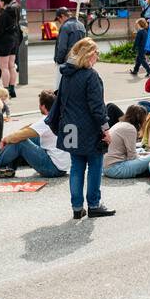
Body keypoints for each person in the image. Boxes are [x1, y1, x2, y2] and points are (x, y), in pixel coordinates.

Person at [51, 37, 115, 219]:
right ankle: (94, 205)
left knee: (77, 167)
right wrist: (105, 130)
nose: (98, 57)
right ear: (89, 55)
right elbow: (97, 107)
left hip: (70, 126)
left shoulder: (66, 74)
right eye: (96, 53)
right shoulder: (91, 76)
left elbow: (62, 100)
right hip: (88, 128)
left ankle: (77, 207)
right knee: (95, 165)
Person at [0, 90, 69, 179]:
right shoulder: (57, 116)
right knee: (30, 138)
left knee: (20, 141)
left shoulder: (47, 120)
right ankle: (8, 168)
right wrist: (13, 136)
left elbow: (20, 135)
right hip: (62, 167)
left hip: (53, 169)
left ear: (43, 106)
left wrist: (5, 139)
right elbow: (31, 127)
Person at [104, 103, 150, 179]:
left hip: (107, 166)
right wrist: (146, 155)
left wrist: (143, 153)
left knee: (141, 150)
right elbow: (132, 156)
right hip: (116, 168)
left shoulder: (120, 124)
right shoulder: (130, 129)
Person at [0, 0, 22, 97]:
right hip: (13, 41)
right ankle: (12, 89)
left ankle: (5, 91)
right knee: (11, 66)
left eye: (0, 1)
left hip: (4, 42)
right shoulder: (15, 11)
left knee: (4, 68)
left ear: (3, 2)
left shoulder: (5, 14)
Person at [52, 7, 86, 88]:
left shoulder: (65, 27)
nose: (59, 22)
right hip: (79, 61)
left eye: (59, 19)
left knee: (60, 87)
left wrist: (58, 61)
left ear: (63, 16)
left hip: (67, 63)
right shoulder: (81, 25)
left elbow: (62, 47)